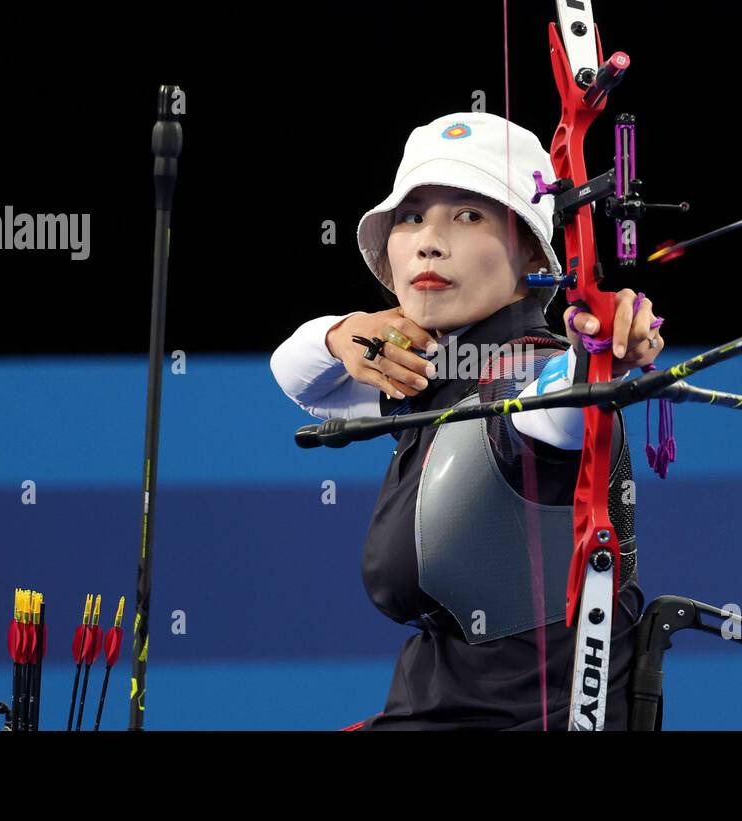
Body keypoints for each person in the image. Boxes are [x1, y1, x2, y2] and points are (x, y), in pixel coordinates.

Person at [271, 112, 665, 729]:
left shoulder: (524, 371)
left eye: (469, 215)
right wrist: (343, 331)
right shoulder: (431, 369)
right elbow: (298, 377)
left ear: (534, 253)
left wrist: (598, 350)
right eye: (411, 216)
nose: (429, 240)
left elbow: (556, 403)